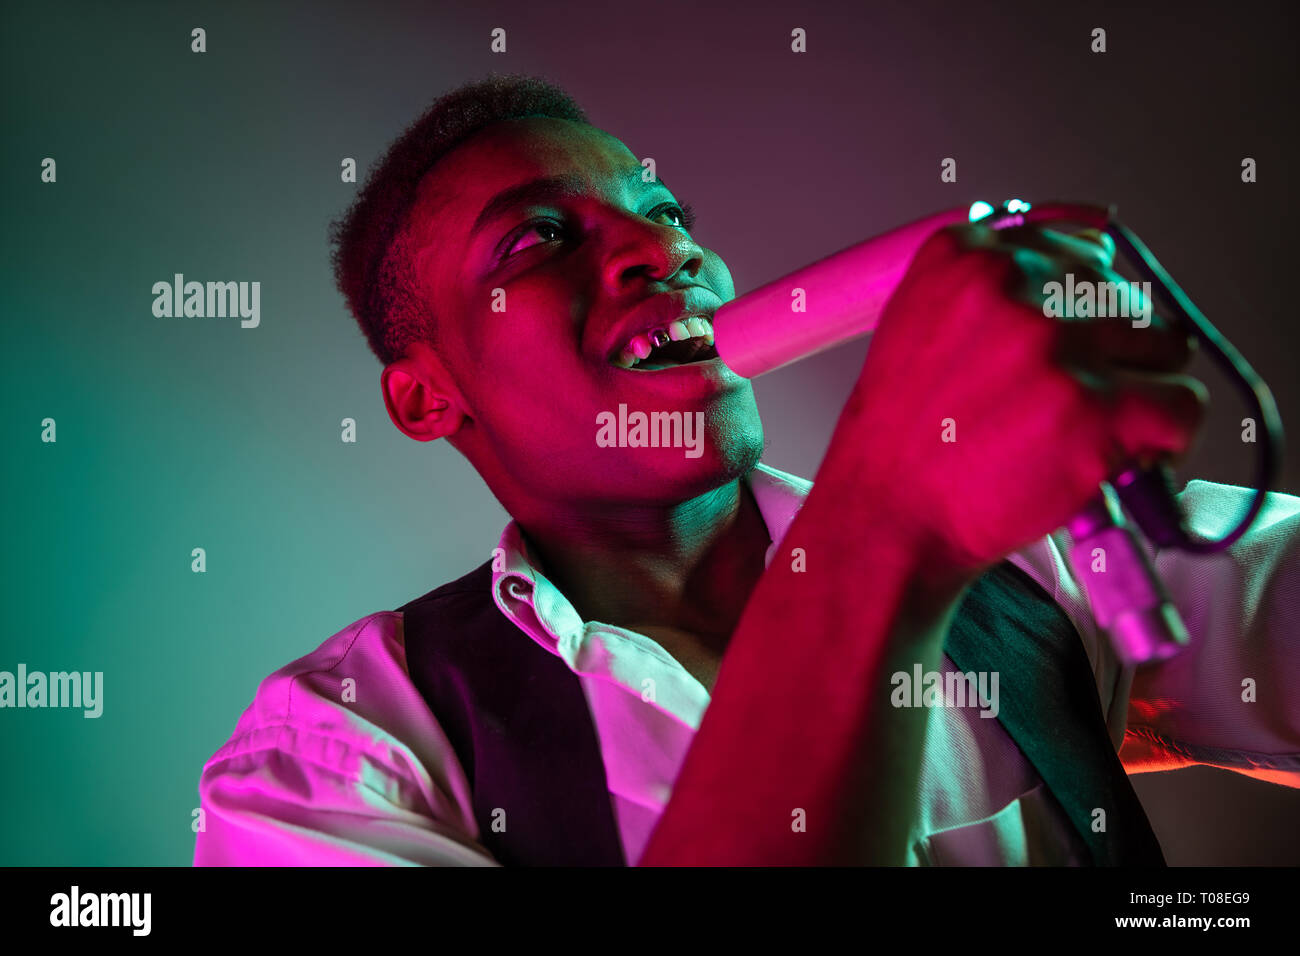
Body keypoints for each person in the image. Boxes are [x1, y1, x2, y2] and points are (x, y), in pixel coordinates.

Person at [193, 72, 1299, 866]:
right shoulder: (339, 752)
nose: (665, 250)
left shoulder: (1036, 550)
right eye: (536, 239)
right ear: (428, 395)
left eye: (664, 212)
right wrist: (880, 525)